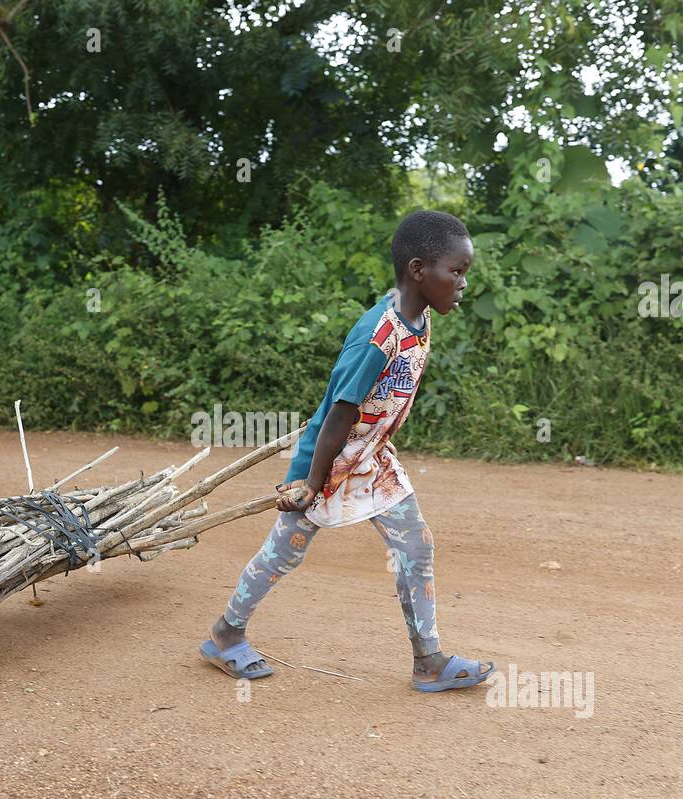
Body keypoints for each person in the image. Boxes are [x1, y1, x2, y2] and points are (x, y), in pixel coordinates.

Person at [200, 210, 496, 692]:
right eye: (456, 272)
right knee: (283, 554)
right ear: (419, 270)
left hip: (371, 457)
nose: (463, 284)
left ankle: (430, 661)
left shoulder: (418, 317)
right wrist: (311, 484)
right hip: (328, 460)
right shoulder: (378, 336)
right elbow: (338, 415)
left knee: (415, 546)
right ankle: (225, 634)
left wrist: (374, 446)